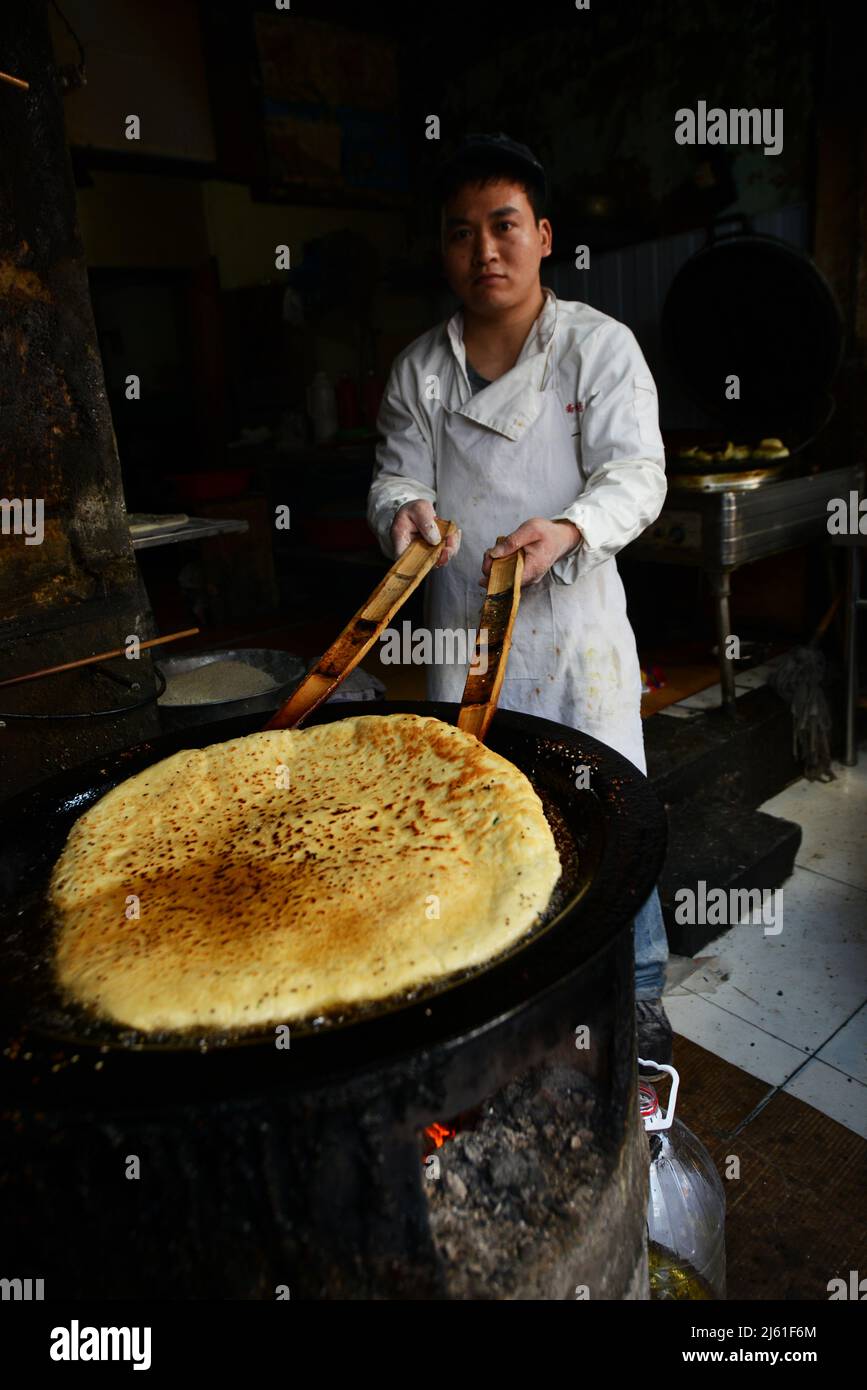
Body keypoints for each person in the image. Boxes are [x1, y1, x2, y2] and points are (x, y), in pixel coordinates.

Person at [366, 132, 672, 1066]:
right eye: (460, 234)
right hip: (461, 639)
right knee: (485, 822)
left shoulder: (595, 348)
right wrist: (404, 513)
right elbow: (391, 477)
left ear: (542, 236)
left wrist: (568, 530)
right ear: (443, 250)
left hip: (574, 646)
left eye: (503, 227)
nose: (483, 251)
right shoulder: (419, 370)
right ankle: (517, 1000)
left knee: (610, 813)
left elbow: (638, 475)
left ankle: (645, 994)